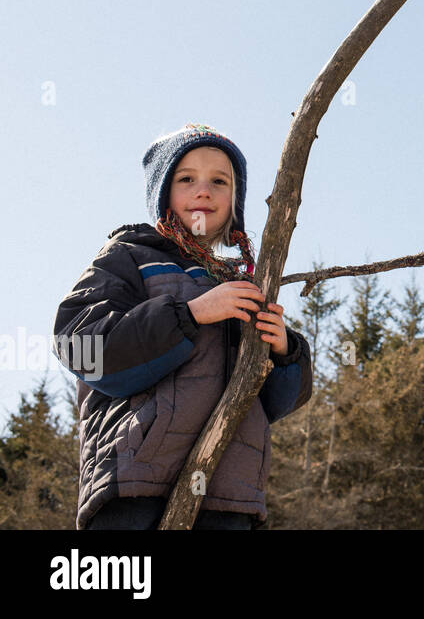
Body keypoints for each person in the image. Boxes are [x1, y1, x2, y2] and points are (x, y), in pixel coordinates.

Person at [53, 123, 313, 529]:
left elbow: (271, 404)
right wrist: (189, 315)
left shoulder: (240, 283)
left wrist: (284, 353)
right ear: (162, 192)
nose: (203, 190)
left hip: (229, 492)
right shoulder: (129, 257)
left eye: (219, 181)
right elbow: (80, 346)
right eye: (186, 178)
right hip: (136, 483)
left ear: (235, 201)